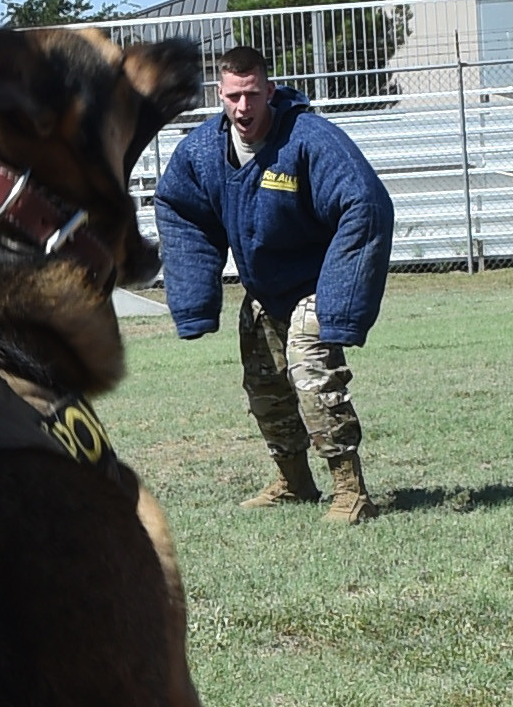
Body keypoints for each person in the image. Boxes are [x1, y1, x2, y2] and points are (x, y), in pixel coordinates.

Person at [151, 38, 394, 519]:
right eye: (233, 96)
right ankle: (294, 481)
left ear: (270, 90)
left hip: (314, 284)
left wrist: (341, 299)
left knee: (313, 377)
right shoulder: (203, 151)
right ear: (218, 95)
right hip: (262, 289)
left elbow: (366, 203)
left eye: (253, 95)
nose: (244, 107)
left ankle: (351, 491)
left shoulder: (308, 140)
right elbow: (179, 208)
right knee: (264, 386)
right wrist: (196, 299)